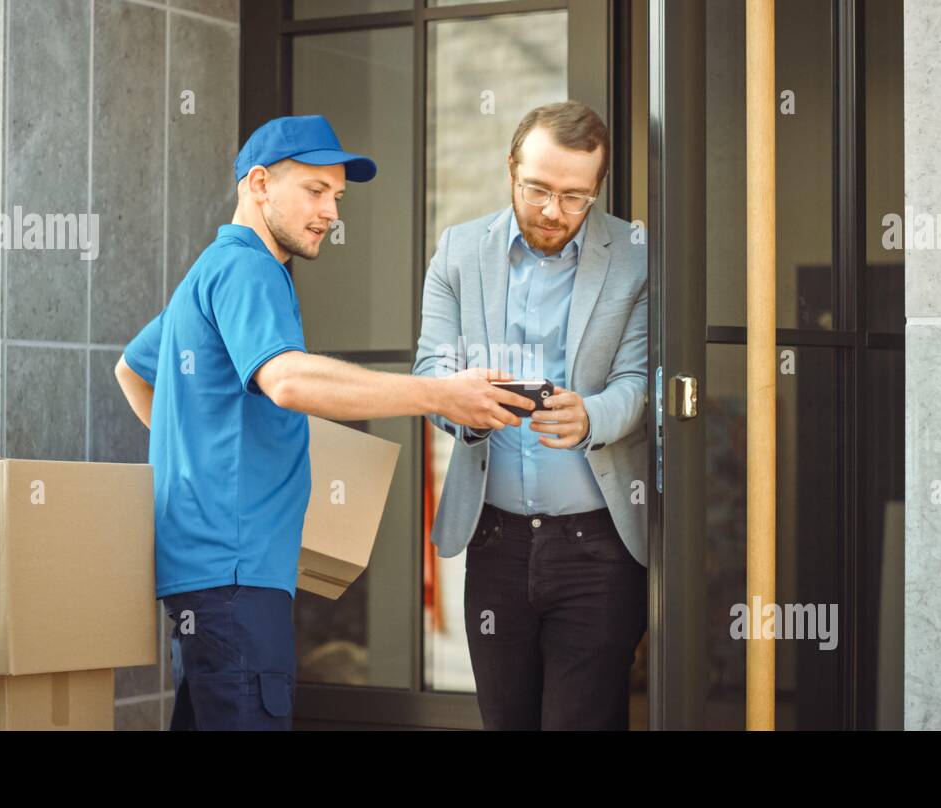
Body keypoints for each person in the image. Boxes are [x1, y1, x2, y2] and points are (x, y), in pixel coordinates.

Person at [115, 114, 534, 731]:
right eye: (314, 190)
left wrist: (201, 465)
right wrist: (441, 395)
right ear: (258, 184)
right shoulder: (249, 268)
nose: (331, 211)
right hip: (238, 574)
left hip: (206, 574)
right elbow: (286, 380)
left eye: (336, 196)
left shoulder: (205, 273)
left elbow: (132, 370)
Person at [413, 101, 649, 730]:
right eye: (538, 188)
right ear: (510, 168)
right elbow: (429, 372)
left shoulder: (635, 254)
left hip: (598, 547)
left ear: (597, 188)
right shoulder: (459, 251)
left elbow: (640, 380)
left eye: (575, 197)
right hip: (494, 542)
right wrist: (465, 406)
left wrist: (591, 416)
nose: (553, 211)